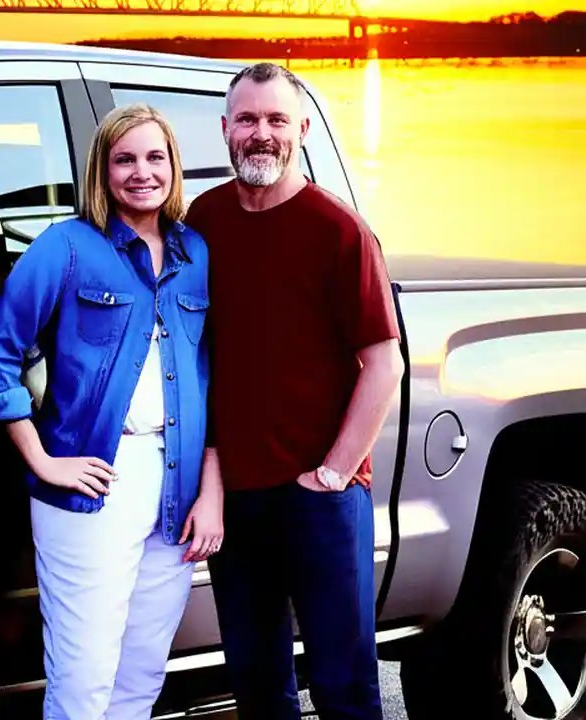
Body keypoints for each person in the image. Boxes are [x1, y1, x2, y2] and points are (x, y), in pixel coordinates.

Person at [0, 102, 223, 720]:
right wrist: (42, 460)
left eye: (155, 157)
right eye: (124, 159)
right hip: (93, 488)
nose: (142, 172)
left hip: (178, 489)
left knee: (141, 675)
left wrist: (211, 491)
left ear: (174, 166)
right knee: (84, 680)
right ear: (101, 170)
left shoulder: (197, 254)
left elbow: (217, 378)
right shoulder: (67, 246)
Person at [184, 62, 404, 720]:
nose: (262, 133)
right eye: (248, 119)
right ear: (224, 130)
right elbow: (201, 354)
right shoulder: (205, 220)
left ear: (302, 129)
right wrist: (214, 478)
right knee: (256, 685)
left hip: (320, 499)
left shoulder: (338, 233)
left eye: (277, 119)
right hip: (238, 498)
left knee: (344, 686)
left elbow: (384, 363)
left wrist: (335, 473)